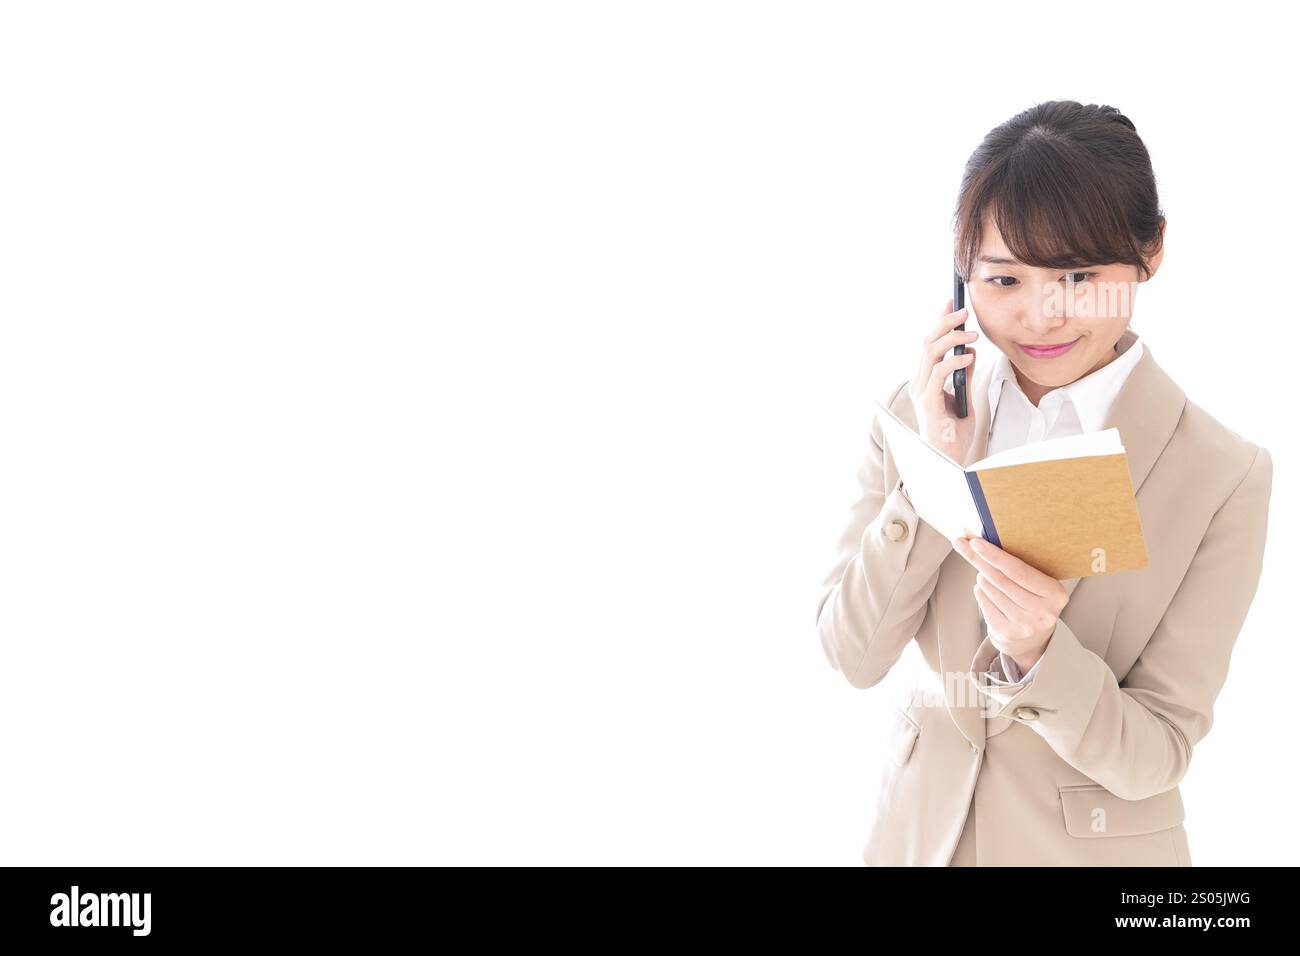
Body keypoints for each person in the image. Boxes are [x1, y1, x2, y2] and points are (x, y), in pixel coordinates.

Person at [815, 100, 1273, 866]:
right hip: (915, 842)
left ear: (1151, 252)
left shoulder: (1222, 474)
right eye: (1003, 279)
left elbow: (1158, 751)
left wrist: (1038, 656)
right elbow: (851, 655)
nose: (1040, 315)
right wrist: (935, 476)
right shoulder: (914, 412)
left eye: (1080, 275)